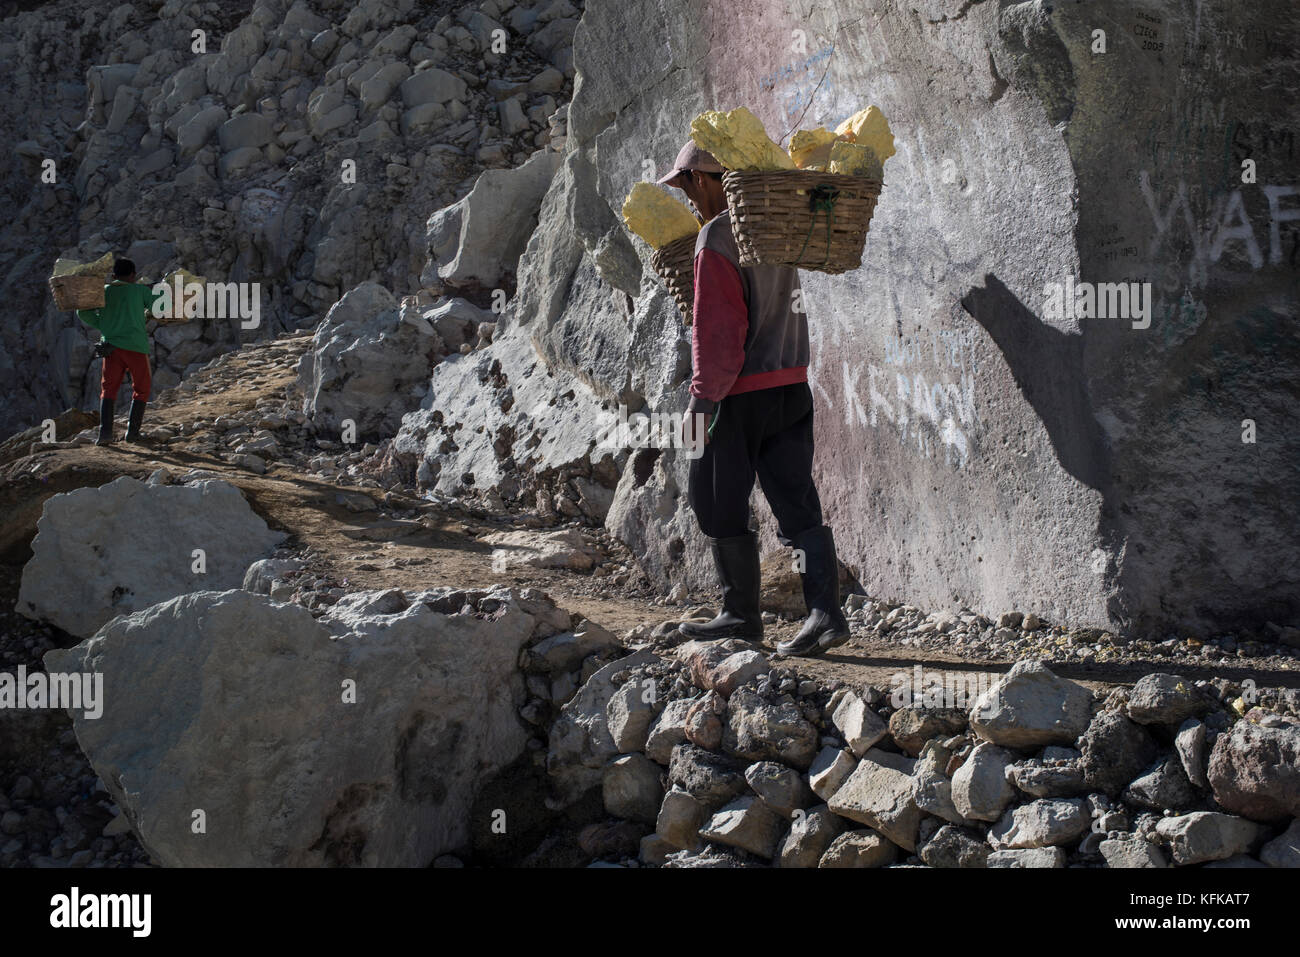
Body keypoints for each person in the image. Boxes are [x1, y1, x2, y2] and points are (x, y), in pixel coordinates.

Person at [660, 140, 850, 657]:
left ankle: (741, 615)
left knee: (713, 499)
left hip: (737, 396)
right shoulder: (773, 231)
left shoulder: (715, 237)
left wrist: (701, 405)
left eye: (686, 186)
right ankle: (825, 614)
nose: (688, 199)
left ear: (704, 180)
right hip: (790, 386)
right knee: (797, 505)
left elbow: (719, 332)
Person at [77, 258, 162, 445]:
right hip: (135, 347)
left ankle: (105, 434)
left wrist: (103, 324)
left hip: (111, 348)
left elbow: (82, 312)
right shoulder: (140, 291)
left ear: (114, 276)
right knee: (141, 389)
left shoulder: (104, 291)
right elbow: (161, 307)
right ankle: (132, 434)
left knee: (108, 388)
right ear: (133, 275)